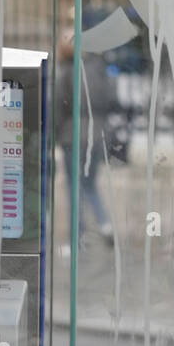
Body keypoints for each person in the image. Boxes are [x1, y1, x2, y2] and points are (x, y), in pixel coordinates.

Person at [56, 17, 116, 245]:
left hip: (73, 134)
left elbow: (59, 107)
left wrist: (53, 135)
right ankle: (104, 224)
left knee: (74, 186)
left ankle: (78, 236)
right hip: (99, 134)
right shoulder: (99, 69)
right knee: (90, 184)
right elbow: (112, 99)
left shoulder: (68, 72)